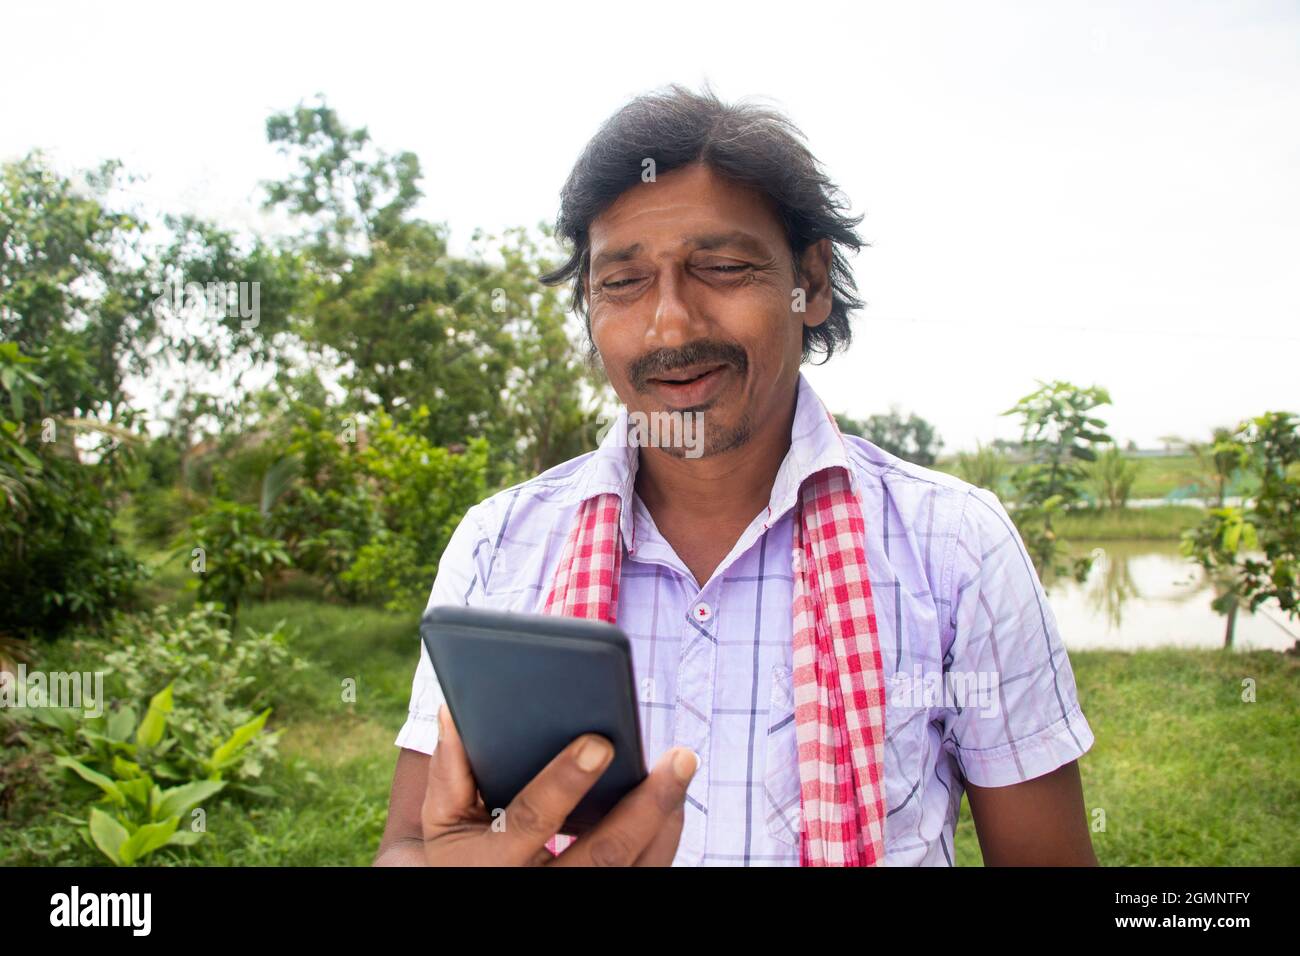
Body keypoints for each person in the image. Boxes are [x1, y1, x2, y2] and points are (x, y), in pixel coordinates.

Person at [375, 84, 1097, 867]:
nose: (671, 324)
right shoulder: (499, 547)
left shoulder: (955, 548)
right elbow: (411, 847)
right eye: (622, 282)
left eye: (720, 267)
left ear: (811, 284)